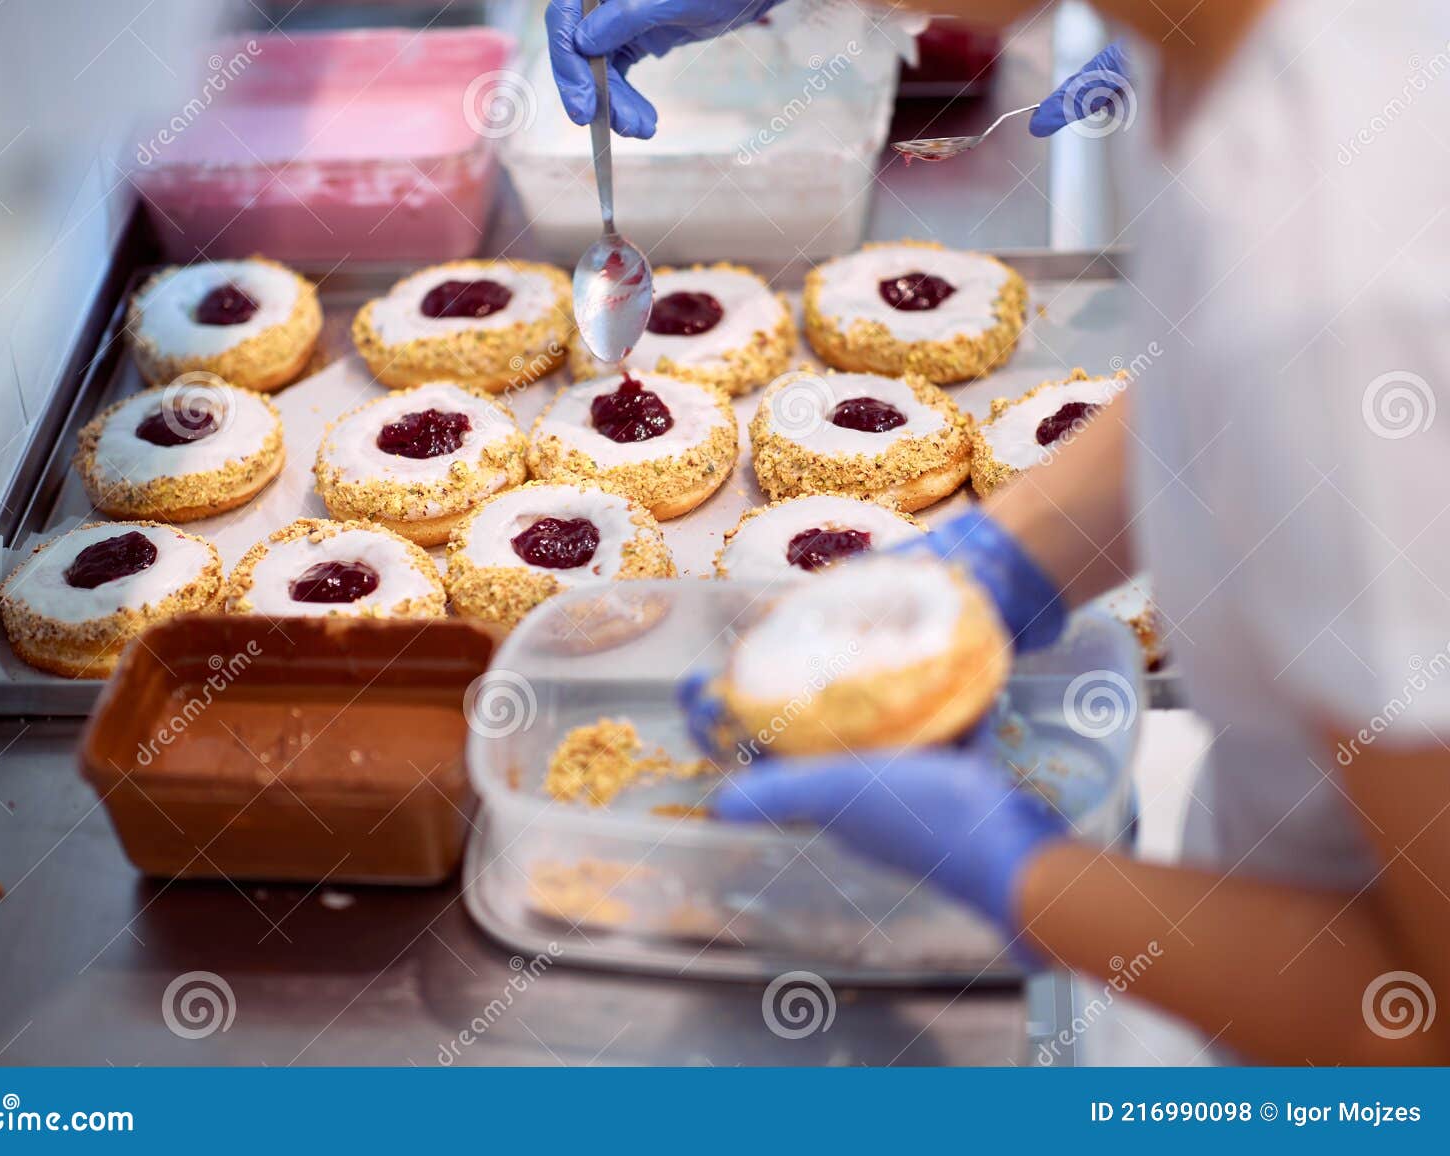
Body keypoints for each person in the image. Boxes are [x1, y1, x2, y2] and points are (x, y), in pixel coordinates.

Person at [547, 0, 1450, 1064]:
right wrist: (1006, 557)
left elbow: (1418, 1017)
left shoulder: (1344, 286)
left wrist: (1020, 874)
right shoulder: (1214, 47)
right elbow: (1230, 383)